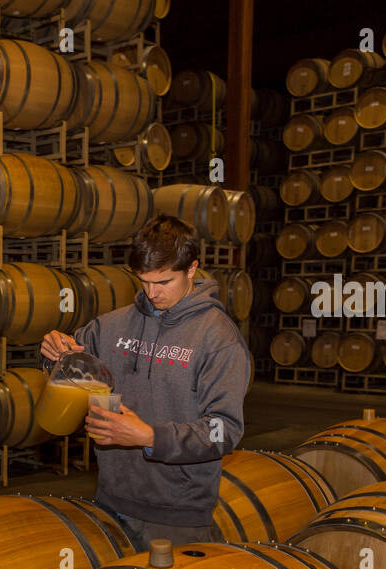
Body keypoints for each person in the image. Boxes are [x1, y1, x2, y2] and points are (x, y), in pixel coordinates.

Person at [40, 214, 252, 551]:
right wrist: (54, 353)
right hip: (110, 500)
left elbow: (224, 429)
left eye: (164, 282)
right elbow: (72, 367)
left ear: (192, 269)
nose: (152, 293)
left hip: (176, 513)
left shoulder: (218, 338)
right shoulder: (112, 325)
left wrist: (151, 436)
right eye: (144, 281)